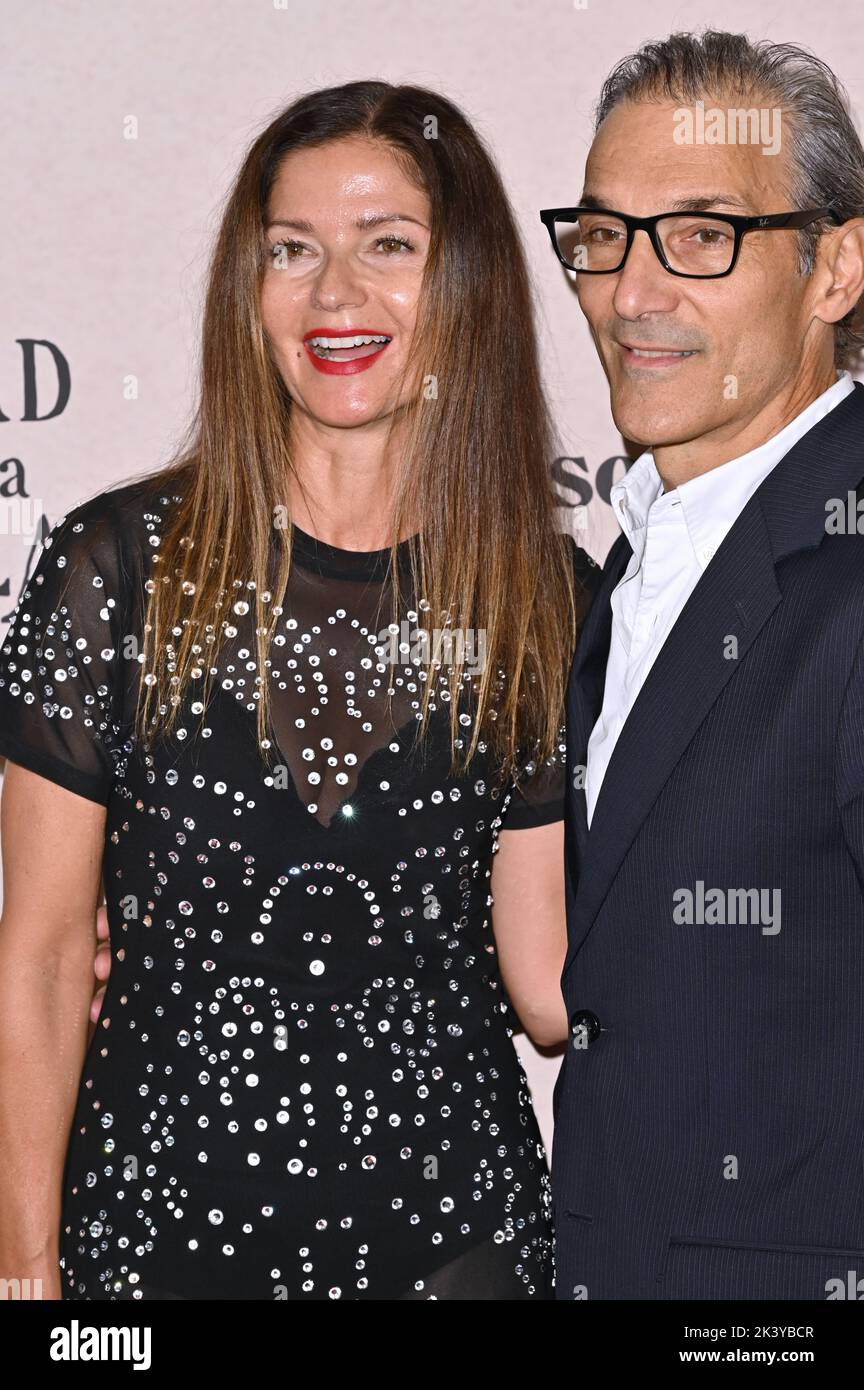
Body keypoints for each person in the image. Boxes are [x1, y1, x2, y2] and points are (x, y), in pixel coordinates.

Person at [0, 81, 599, 1301]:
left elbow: (549, 986)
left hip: (456, 1243)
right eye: (293, 250)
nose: (336, 295)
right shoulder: (117, 571)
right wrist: (23, 1272)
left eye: (390, 247)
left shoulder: (544, 597)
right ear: (249, 286)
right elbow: (48, 956)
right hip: (150, 1250)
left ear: (469, 282)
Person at [540, 29, 864, 1300]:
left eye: (702, 237)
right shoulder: (631, 569)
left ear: (836, 264)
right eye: (606, 237)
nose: (633, 292)